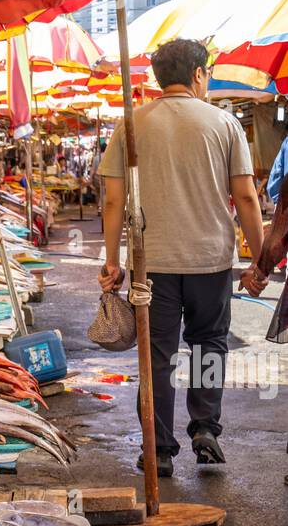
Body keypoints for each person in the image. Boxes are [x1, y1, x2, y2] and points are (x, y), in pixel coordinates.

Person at [98, 38, 264, 476]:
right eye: (207, 73)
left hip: (150, 260)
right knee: (209, 343)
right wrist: (261, 261)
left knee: (157, 353)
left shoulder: (131, 123)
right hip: (210, 259)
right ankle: (205, 427)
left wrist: (112, 261)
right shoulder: (223, 123)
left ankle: (159, 449)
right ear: (197, 74)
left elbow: (113, 201)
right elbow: (245, 196)